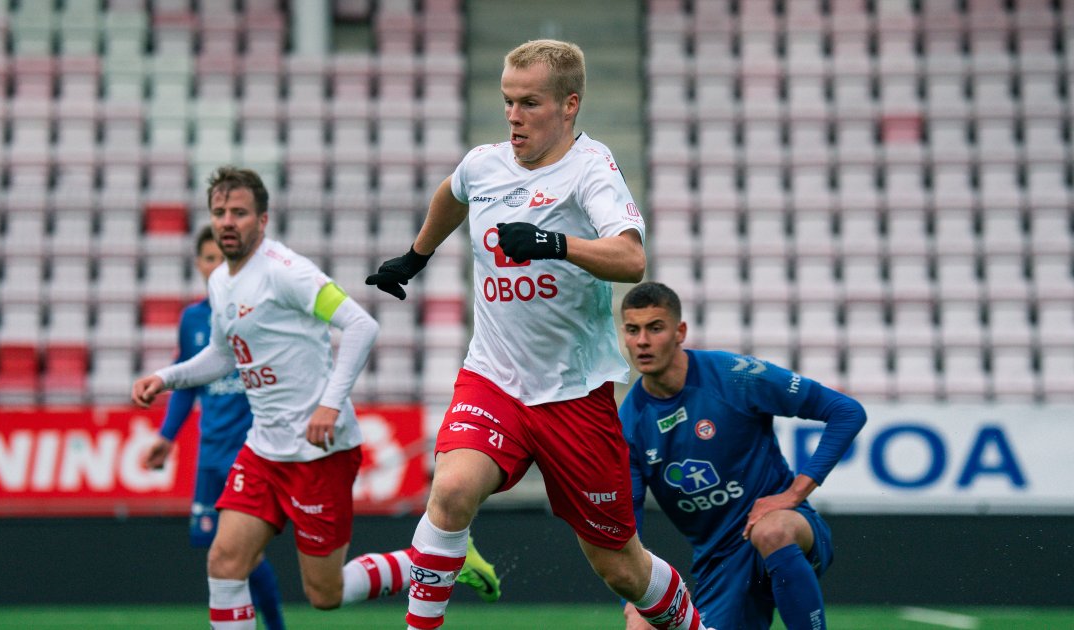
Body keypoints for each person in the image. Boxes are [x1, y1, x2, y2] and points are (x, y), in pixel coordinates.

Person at [366, 40, 710, 630]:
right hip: (493, 378)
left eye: (529, 103)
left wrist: (556, 244)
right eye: (508, 101)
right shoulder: (484, 164)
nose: (514, 116)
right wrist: (416, 255)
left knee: (620, 568)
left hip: (573, 395)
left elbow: (632, 259)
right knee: (451, 491)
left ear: (569, 104)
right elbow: (452, 193)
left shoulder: (591, 168)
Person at [131, 167, 499, 630]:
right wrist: (166, 378)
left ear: (262, 220)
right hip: (263, 450)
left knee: (325, 594)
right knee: (224, 563)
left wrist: (329, 404)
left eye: (239, 212)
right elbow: (223, 356)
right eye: (219, 212)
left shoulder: (287, 272)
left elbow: (361, 325)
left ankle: (436, 559)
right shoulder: (221, 281)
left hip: (318, 453)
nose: (227, 221)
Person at [617, 282, 867, 630]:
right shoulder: (627, 426)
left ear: (680, 332)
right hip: (719, 566)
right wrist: (632, 599)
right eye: (633, 330)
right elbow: (627, 521)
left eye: (655, 328)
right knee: (640, 627)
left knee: (771, 531)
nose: (642, 341)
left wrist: (793, 495)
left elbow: (846, 412)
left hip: (788, 529)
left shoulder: (735, 376)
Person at [142, 226, 285, 630]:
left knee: (238, 551)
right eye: (209, 258)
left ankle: (273, 624)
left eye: (222, 258)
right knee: (218, 546)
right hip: (211, 452)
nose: (216, 265)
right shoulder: (192, 319)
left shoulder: (258, 312)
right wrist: (166, 437)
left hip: (250, 451)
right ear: (198, 264)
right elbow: (188, 384)